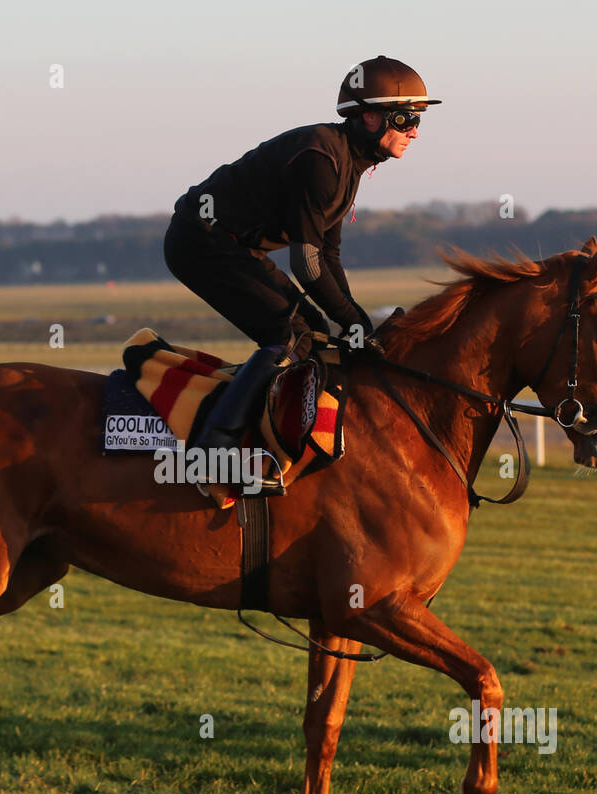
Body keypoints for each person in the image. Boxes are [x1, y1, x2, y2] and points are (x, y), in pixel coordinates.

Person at [163, 55, 440, 493]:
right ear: (369, 117)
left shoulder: (349, 163)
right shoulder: (322, 159)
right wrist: (352, 321)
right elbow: (305, 264)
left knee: (309, 330)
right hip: (201, 242)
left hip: (236, 246)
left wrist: (355, 321)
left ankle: (266, 439)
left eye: (418, 119)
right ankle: (213, 450)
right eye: (406, 118)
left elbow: (328, 256)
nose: (415, 131)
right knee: (285, 333)